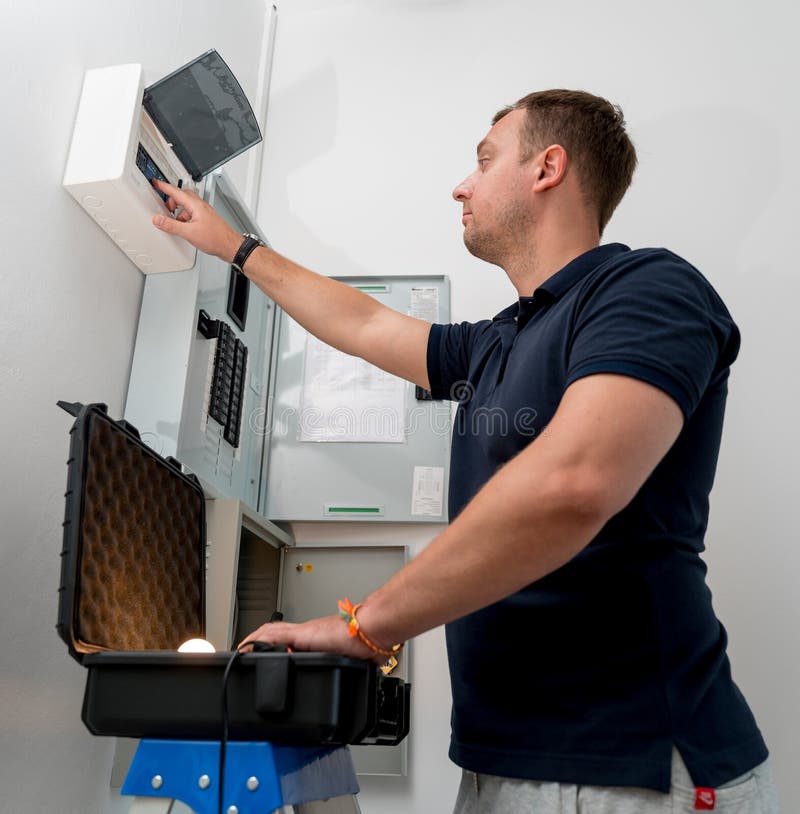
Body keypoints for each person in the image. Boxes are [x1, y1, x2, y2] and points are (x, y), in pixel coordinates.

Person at [152, 89, 779, 813]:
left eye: (483, 161)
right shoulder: (498, 341)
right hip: (498, 764)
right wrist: (234, 246)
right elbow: (364, 326)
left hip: (626, 768)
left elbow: (571, 483)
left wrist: (363, 626)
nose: (461, 184)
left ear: (548, 168)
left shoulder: (646, 289)